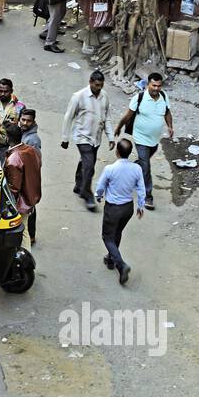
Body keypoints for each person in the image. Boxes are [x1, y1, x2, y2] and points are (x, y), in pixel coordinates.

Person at [114, 72, 173, 211]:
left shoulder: (164, 96)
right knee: (146, 168)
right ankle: (148, 196)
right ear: (148, 85)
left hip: (154, 139)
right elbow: (128, 115)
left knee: (142, 162)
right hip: (140, 138)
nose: (156, 88)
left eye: (159, 86)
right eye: (153, 85)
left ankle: (130, 169)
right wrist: (118, 127)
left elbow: (167, 112)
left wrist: (170, 126)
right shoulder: (139, 98)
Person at [95, 138, 146, 285]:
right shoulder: (136, 169)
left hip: (113, 208)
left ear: (117, 152)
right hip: (128, 208)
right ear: (130, 153)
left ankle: (121, 265)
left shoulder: (110, 169)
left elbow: (100, 186)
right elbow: (141, 189)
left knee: (107, 237)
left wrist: (98, 196)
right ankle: (111, 258)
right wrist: (140, 206)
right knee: (117, 232)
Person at [61, 70, 112, 211]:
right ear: (90, 82)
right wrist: (65, 138)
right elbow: (68, 117)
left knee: (86, 162)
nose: (98, 88)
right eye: (96, 85)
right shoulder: (79, 96)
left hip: (96, 137)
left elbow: (107, 117)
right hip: (82, 136)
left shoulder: (104, 96)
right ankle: (87, 194)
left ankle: (78, 185)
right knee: (89, 166)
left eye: (101, 85)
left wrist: (111, 137)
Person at [4, 123, 41, 250]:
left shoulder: (14, 159)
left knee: (22, 230)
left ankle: (26, 257)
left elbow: (13, 188)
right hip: (31, 196)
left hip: (21, 202)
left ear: (8, 138)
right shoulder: (30, 150)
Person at [19, 107, 41, 245]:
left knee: (29, 205)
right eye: (23, 120)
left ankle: (30, 235)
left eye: (28, 121)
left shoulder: (33, 140)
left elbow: (37, 160)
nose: (25, 123)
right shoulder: (22, 133)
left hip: (28, 177)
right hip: (23, 176)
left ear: (33, 122)